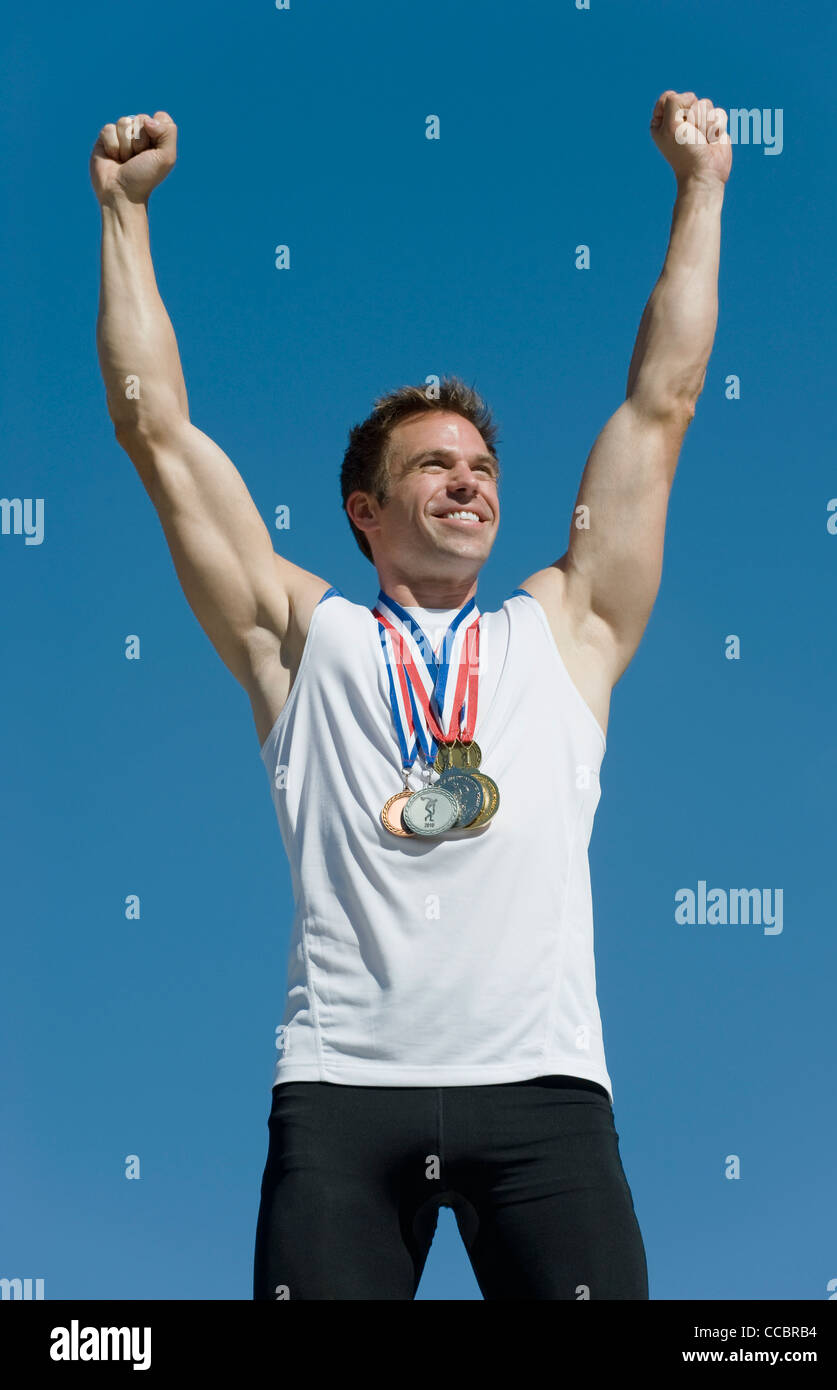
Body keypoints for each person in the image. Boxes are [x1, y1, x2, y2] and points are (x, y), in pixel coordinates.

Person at [90, 91, 730, 1300]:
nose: (469, 482)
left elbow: (664, 403)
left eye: (483, 466)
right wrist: (124, 217)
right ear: (364, 513)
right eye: (432, 464)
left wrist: (702, 190)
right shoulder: (303, 638)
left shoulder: (567, 630)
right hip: (343, 1095)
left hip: (547, 1097)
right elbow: (157, 434)